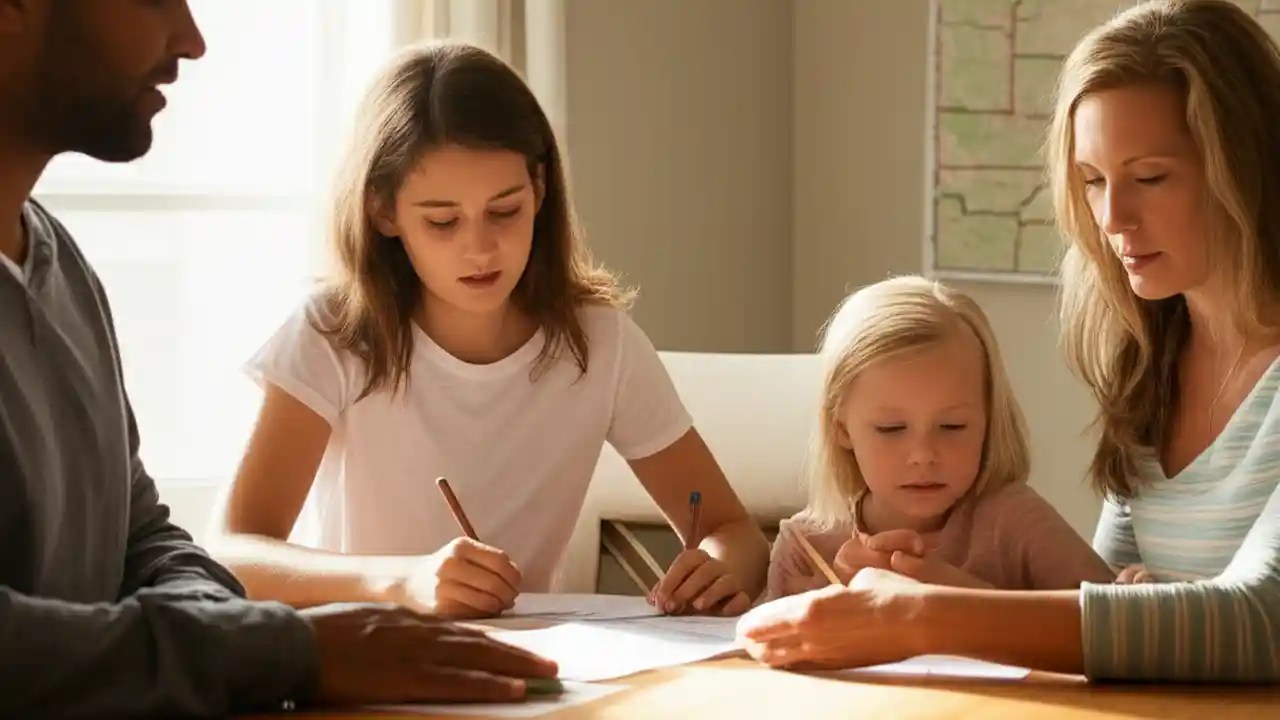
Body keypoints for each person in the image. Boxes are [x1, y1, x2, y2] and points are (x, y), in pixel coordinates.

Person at [0, 2, 556, 715]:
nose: (191, 40)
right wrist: (283, 649)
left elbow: (143, 538)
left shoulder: (60, 267)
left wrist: (247, 640)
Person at [737, 0, 1280, 682]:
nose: (1113, 217)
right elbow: (1113, 612)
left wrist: (919, 613)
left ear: (1248, 165)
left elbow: (1264, 621)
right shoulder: (1152, 366)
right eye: (1092, 181)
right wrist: (943, 587)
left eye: (1150, 178)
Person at [207, 41, 769, 620]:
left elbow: (734, 531)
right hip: (373, 663)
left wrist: (719, 565)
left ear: (540, 189)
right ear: (383, 212)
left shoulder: (601, 343)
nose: (480, 249)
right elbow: (230, 557)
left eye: (505, 211)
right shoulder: (336, 334)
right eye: (443, 221)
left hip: (546, 674)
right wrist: (402, 581)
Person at [765, 276, 1113, 602]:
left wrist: (962, 598)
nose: (923, 455)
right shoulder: (805, 547)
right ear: (841, 427)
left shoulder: (1015, 521)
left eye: (952, 427)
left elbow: (1110, 622)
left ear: (987, 420)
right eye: (891, 429)